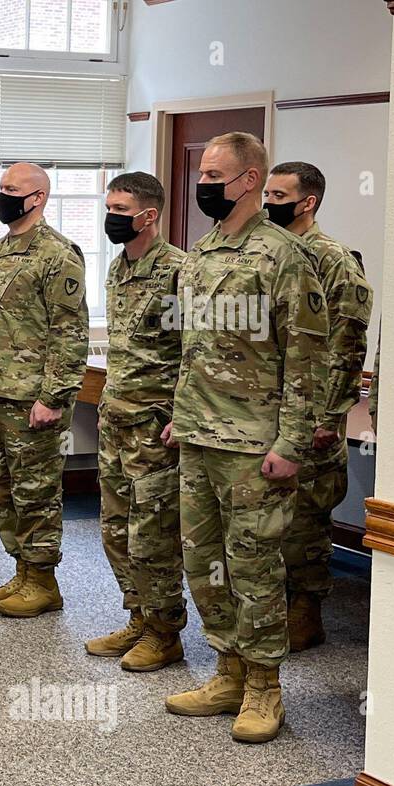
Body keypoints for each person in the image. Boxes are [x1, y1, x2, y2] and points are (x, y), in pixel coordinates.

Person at [162, 133, 330, 744]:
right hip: (201, 436)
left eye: (215, 173)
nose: (203, 182)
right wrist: (182, 415)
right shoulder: (202, 253)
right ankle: (227, 671)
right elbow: (195, 347)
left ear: (251, 179)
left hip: (255, 444)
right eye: (202, 172)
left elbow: (307, 357)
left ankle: (265, 686)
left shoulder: (284, 256)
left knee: (254, 566)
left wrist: (290, 443)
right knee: (203, 562)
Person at [0, 162, 89, 618]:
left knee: (36, 490)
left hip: (32, 398)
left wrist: (53, 398)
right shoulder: (1, 250)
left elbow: (69, 332)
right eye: (0, 187)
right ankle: (21, 571)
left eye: (12, 189)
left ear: (38, 197)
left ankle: (43, 581)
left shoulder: (58, 254)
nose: (3, 195)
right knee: (4, 488)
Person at [263, 161, 374, 651]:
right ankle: (273, 608)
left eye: (279, 195)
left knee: (305, 521)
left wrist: (328, 418)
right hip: (273, 409)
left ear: (307, 203)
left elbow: (348, 345)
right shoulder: (271, 252)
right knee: (272, 522)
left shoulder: (331, 260)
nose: (268, 202)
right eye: (265, 192)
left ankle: (305, 615)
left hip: (312, 419)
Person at [86, 172, 188, 671]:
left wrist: (184, 415)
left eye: (120, 209)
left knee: (153, 532)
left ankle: (165, 631)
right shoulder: (118, 269)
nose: (111, 217)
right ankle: (139, 616)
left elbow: (196, 350)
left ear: (149, 215)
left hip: (156, 425)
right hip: (117, 418)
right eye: (108, 206)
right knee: (115, 528)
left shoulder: (177, 272)